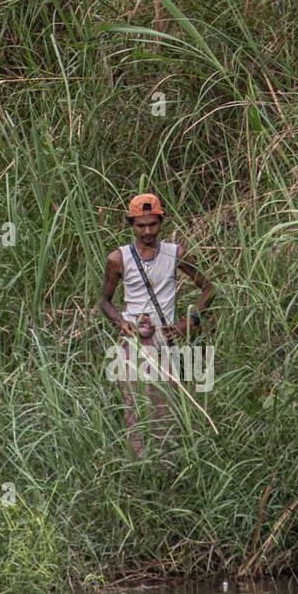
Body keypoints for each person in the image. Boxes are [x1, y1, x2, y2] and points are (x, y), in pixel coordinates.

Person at [98, 193, 213, 458]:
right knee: (136, 408)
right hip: (132, 343)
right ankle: (142, 467)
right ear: (131, 224)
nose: (147, 231)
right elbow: (104, 301)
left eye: (153, 224)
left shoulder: (176, 253)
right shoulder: (118, 258)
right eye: (141, 225)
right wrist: (121, 321)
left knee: (168, 409)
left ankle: (169, 468)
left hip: (166, 339)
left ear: (161, 221)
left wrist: (189, 322)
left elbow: (208, 289)